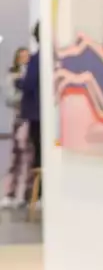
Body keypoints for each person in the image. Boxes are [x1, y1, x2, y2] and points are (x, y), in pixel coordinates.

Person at [2, 46, 32, 209]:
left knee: (30, 158)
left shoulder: (32, 74)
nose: (25, 60)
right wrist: (24, 92)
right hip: (19, 119)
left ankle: (27, 195)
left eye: (27, 57)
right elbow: (9, 98)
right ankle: (10, 193)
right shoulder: (12, 76)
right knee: (17, 157)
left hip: (31, 120)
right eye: (22, 57)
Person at [18, 26, 41, 207]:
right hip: (41, 115)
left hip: (36, 116)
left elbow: (28, 84)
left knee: (37, 155)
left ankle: (37, 195)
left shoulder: (36, 60)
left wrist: (19, 81)